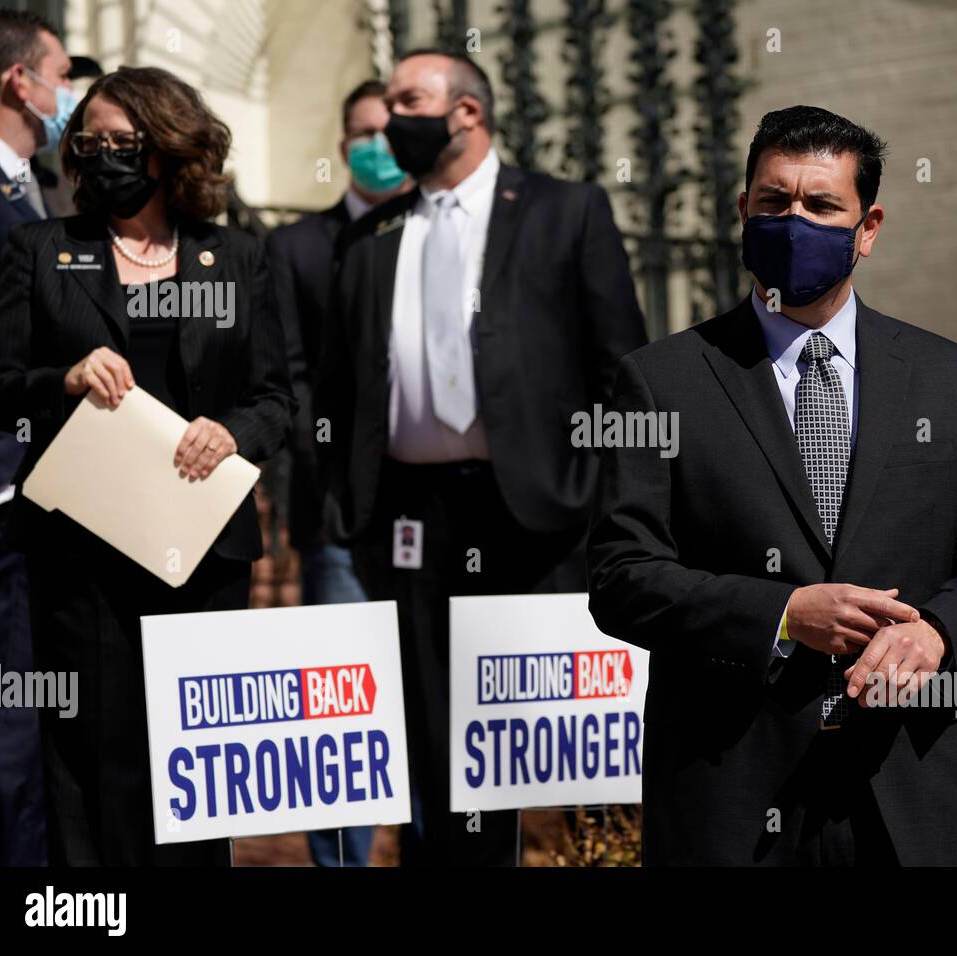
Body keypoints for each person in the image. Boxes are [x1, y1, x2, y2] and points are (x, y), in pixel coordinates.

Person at [587, 106, 957, 866]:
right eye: (774, 202)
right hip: (732, 795)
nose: (794, 220)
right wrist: (784, 613)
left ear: (868, 228)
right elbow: (621, 578)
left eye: (822, 205)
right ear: (743, 212)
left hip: (909, 793)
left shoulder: (947, 377)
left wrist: (936, 634)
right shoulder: (660, 381)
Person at [316, 49, 646, 866]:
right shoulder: (371, 236)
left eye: (409, 100)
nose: (392, 119)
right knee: (443, 741)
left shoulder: (564, 211)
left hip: (544, 516)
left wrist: (607, 504)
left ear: (467, 113)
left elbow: (624, 372)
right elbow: (341, 391)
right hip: (414, 520)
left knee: (578, 742)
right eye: (388, 104)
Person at [0, 65, 295, 866]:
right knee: (95, 757)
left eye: (128, 142)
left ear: (170, 149)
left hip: (203, 551)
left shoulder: (237, 257)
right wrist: (63, 380)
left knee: (196, 766)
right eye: (93, 142)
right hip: (84, 550)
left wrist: (233, 431)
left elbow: (276, 398)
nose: (108, 156)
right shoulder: (41, 249)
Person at [266, 78, 411, 867]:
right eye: (362, 132)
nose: (377, 145)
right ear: (340, 144)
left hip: (437, 516)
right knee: (342, 700)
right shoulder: (294, 248)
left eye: (391, 131)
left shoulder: (439, 232)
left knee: (427, 697)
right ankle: (342, 863)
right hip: (335, 515)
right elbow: (285, 376)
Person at [0, 5, 75, 868]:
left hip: (24, 484)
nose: (68, 94)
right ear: (22, 80)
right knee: (4, 696)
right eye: (65, 74)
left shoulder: (17, 178)